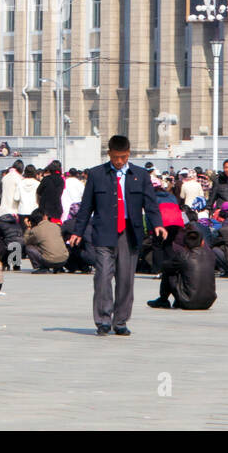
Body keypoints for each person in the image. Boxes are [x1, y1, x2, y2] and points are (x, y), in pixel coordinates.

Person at [68, 135, 165, 337]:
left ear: (128, 154)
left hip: (130, 233)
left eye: (122, 157)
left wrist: (158, 225)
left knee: (126, 279)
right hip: (104, 232)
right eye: (115, 157)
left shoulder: (140, 175)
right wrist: (78, 231)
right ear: (109, 154)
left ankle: (120, 321)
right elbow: (86, 206)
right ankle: (103, 320)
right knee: (103, 277)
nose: (119, 161)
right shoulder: (96, 174)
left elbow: (151, 204)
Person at [150, 228, 217, 310]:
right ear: (202, 243)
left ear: (185, 244)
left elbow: (165, 266)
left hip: (188, 301)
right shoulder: (211, 256)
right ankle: (178, 299)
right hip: (208, 302)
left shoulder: (183, 256)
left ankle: (163, 299)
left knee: (169, 270)